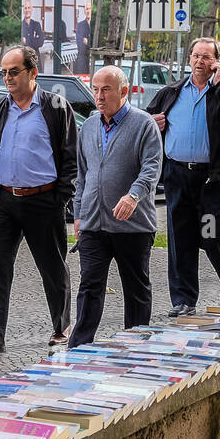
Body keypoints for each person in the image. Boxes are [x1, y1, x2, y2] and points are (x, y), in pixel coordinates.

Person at [0, 44, 78, 355]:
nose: (7, 78)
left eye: (13, 72)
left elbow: (71, 159)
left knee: (53, 269)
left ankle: (61, 328)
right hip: (4, 200)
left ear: (32, 72)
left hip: (44, 201)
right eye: (3, 72)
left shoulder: (56, 108)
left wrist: (61, 200)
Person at [146, 36, 220, 317]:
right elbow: (146, 123)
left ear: (217, 62)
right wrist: (154, 124)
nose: (200, 61)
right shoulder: (172, 91)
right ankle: (183, 300)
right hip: (178, 175)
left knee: (212, 234)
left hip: (212, 179)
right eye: (196, 56)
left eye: (207, 57)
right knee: (180, 237)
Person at [68, 65, 162, 348]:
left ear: (123, 91)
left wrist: (133, 196)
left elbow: (151, 168)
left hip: (132, 226)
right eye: (95, 89)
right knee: (89, 286)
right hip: (94, 225)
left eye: (105, 89)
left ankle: (135, 345)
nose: (99, 95)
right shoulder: (89, 126)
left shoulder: (143, 124)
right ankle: (79, 346)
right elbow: (83, 174)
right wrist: (78, 213)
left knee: (135, 289)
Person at [74, 4, 92, 75]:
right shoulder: (80, 25)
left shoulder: (96, 25)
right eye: (86, 9)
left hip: (95, 62)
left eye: (89, 9)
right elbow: (80, 46)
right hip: (82, 63)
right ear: (84, 11)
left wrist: (87, 42)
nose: (88, 11)